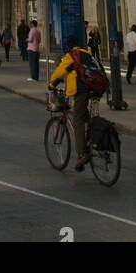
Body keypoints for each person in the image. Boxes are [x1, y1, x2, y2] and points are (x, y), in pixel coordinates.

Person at [49, 34, 93, 172]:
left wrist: (51, 85)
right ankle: (94, 136)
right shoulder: (86, 53)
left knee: (77, 120)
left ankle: (82, 154)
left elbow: (59, 73)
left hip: (81, 90)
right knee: (85, 115)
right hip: (93, 88)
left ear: (68, 46)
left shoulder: (71, 56)